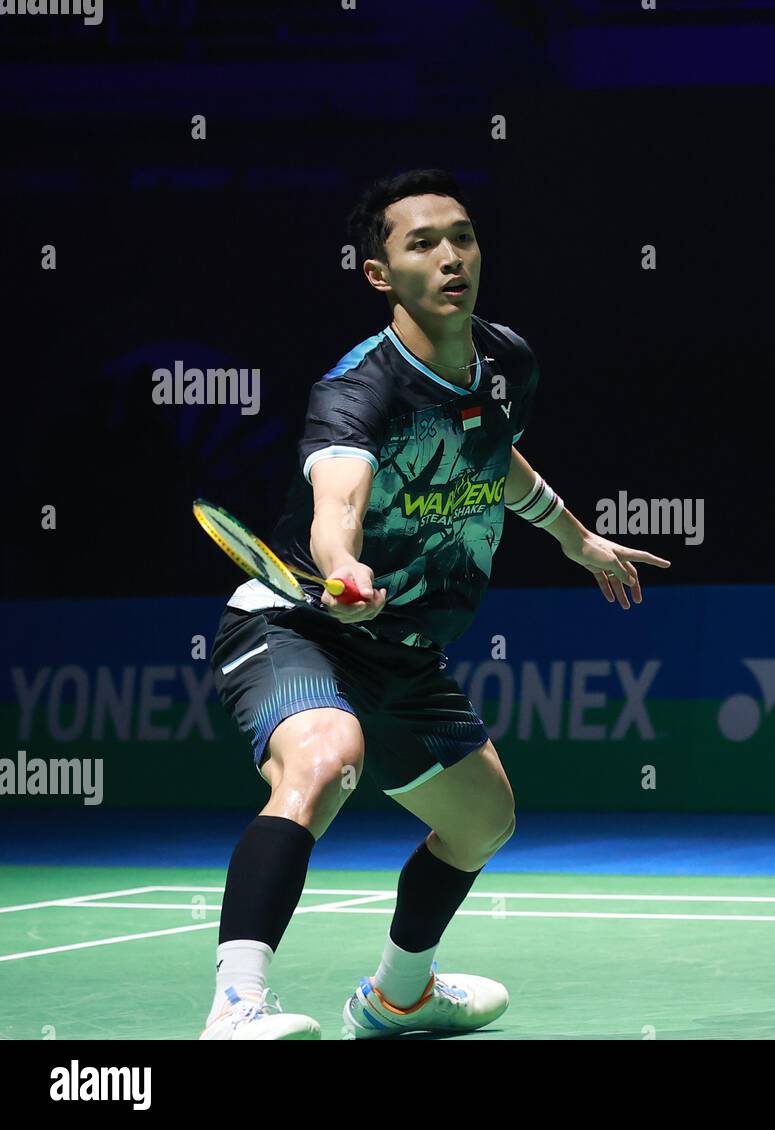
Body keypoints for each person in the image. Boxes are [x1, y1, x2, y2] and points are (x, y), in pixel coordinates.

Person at [200, 169, 670, 1039]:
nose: (451, 255)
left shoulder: (509, 361)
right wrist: (342, 568)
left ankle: (397, 998)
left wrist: (577, 539)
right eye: (422, 243)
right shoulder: (358, 390)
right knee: (323, 759)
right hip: (298, 623)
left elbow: (493, 454)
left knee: (485, 819)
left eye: (462, 235)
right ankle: (235, 1006)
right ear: (380, 274)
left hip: (405, 648)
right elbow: (337, 504)